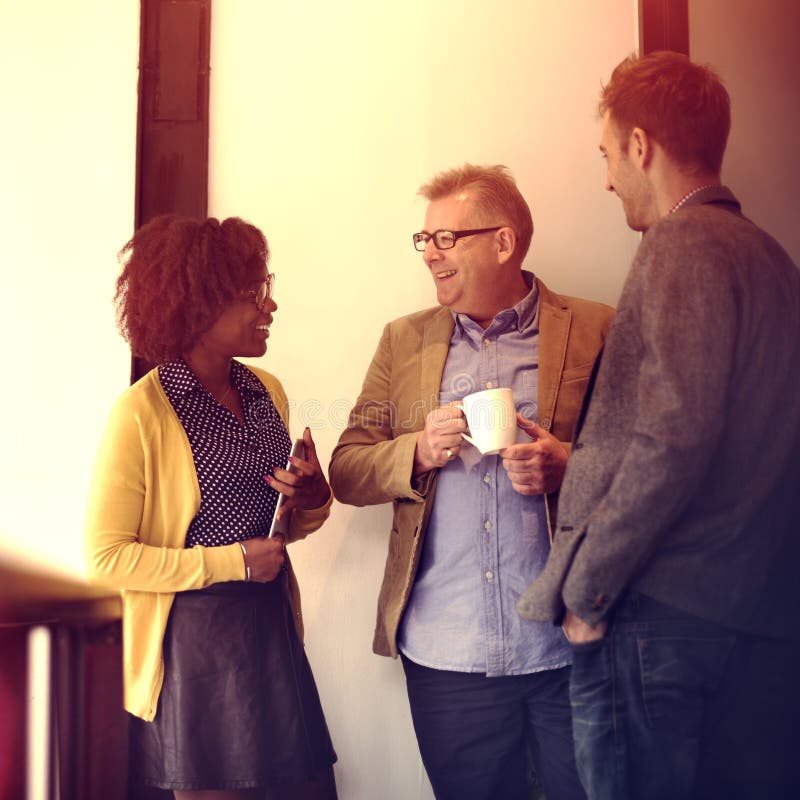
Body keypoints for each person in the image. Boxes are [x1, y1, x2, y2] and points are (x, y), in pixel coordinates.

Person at [517, 51, 800, 800]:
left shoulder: (680, 243)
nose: (607, 177)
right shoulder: (775, 261)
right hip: (760, 620)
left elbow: (677, 433)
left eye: (609, 155)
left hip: (657, 625)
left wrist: (590, 593)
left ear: (641, 146)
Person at [329, 164, 613, 800]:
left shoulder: (597, 328)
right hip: (447, 649)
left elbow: (649, 463)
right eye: (423, 240)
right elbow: (347, 466)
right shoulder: (403, 340)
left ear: (504, 242)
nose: (429, 254)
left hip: (570, 643)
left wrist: (567, 464)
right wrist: (417, 452)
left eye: (445, 239)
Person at [85, 215, 337, 800]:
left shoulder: (264, 389)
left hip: (272, 627)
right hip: (195, 648)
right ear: (196, 307)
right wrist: (234, 564)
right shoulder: (142, 413)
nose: (269, 306)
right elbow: (106, 557)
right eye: (253, 294)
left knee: (311, 791)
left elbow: (277, 531)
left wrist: (311, 497)